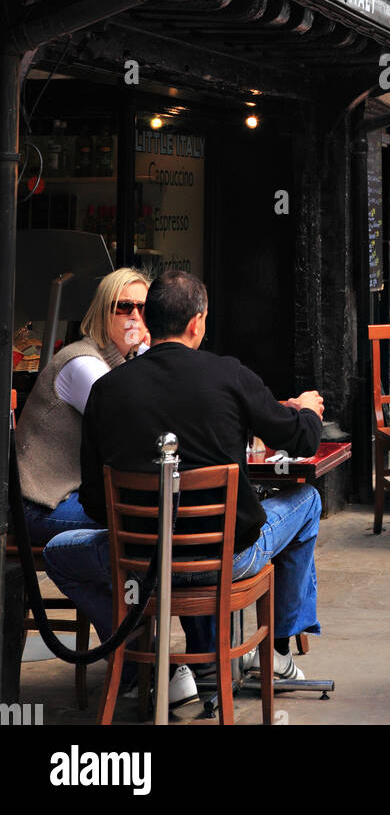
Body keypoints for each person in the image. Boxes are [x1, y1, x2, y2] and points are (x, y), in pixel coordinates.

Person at [43, 271, 325, 697]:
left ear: (149, 323)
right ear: (198, 323)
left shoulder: (107, 390)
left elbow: (96, 504)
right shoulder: (230, 375)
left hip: (136, 563)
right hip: (226, 560)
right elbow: (301, 439)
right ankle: (279, 655)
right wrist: (308, 410)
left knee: (55, 555)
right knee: (307, 499)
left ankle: (147, 659)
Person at [16, 267, 151, 546]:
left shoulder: (120, 364)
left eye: (144, 308)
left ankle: (123, 588)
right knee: (145, 521)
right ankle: (124, 589)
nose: (135, 316)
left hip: (72, 495)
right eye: (124, 307)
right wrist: (152, 356)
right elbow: (136, 425)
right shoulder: (83, 364)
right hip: (37, 504)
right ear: (103, 312)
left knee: (154, 518)